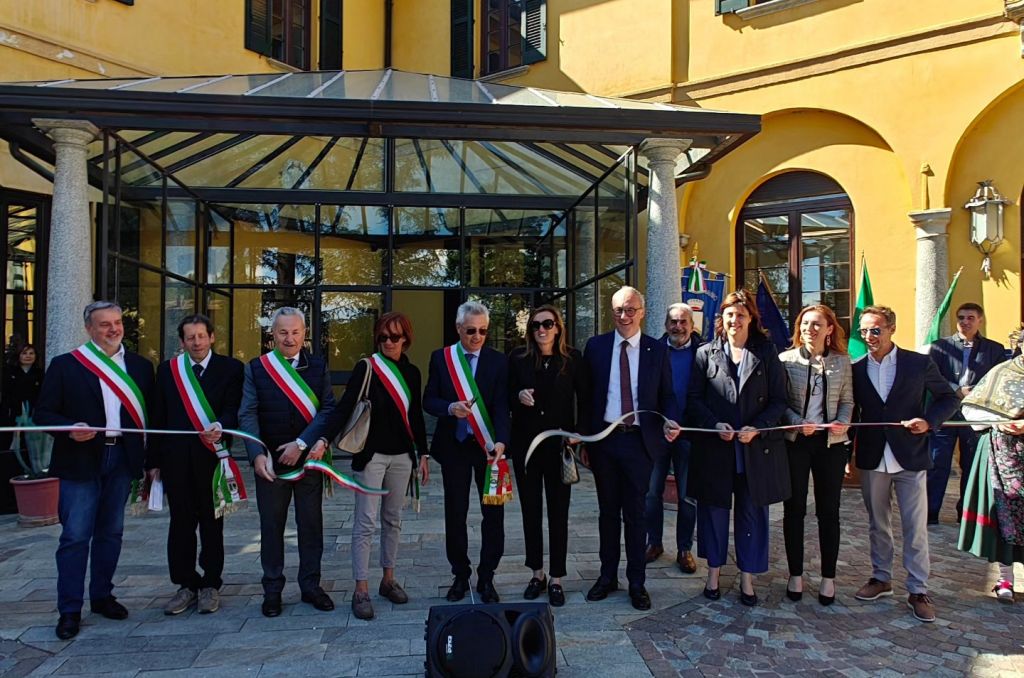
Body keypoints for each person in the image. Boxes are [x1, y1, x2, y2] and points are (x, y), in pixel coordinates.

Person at [35, 301, 156, 640]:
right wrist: (68, 427)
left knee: (111, 533)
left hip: (121, 459)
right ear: (89, 328)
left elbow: (152, 416)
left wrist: (151, 462)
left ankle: (102, 596)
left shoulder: (141, 367)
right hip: (80, 460)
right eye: (104, 324)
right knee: (75, 536)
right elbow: (43, 414)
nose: (113, 329)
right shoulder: (66, 365)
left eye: (117, 322)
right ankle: (69, 610)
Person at [301, 312, 430, 620]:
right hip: (371, 457)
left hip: (402, 457)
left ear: (406, 339)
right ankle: (361, 588)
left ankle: (388, 579)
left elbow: (415, 417)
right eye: (383, 336)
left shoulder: (411, 373)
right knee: (365, 523)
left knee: (393, 520)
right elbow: (344, 407)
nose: (388, 342)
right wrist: (322, 440)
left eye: (395, 337)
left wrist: (422, 454)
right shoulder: (367, 367)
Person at [851, 305, 958, 623]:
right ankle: (881, 578)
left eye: (875, 329)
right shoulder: (856, 368)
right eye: (864, 330)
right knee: (877, 524)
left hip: (910, 455)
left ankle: (917, 590)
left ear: (891, 329)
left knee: (915, 528)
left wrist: (928, 421)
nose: (869, 336)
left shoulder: (918, 363)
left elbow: (949, 399)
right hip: (872, 456)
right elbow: (851, 412)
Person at [686, 289, 790, 607]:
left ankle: (747, 578)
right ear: (723, 318)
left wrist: (757, 428)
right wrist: (714, 424)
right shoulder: (706, 353)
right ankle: (714, 575)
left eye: (741, 314)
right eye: (730, 313)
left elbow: (779, 400)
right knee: (714, 514)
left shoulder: (766, 352)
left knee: (751, 515)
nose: (735, 319)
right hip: (717, 451)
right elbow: (693, 400)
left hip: (754, 451)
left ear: (751, 318)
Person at [581, 286, 680, 611]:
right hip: (604, 442)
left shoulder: (656, 350)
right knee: (608, 513)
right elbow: (585, 397)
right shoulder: (595, 347)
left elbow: (668, 395)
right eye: (619, 310)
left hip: (640, 442)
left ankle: (637, 583)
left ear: (642, 312)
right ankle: (607, 576)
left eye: (630, 310)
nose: (624, 316)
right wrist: (584, 438)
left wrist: (670, 420)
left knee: (635, 516)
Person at [239, 307, 336, 618]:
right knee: (272, 528)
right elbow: (247, 413)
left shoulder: (318, 366)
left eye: (295, 332)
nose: (290, 338)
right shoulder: (257, 368)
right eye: (283, 332)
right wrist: (256, 454)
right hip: (270, 466)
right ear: (273, 334)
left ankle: (310, 586)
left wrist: (306, 443)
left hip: (308, 462)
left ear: (304, 333)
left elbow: (328, 410)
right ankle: (272, 590)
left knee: (311, 526)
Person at [148, 314, 244, 616]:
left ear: (212, 337)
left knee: (213, 523)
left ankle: (210, 584)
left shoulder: (231, 369)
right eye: (190, 337)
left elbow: (235, 408)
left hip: (212, 459)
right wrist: (153, 462)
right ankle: (185, 584)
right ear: (182, 341)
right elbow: (157, 418)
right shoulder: (167, 371)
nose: (197, 342)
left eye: (202, 336)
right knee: (181, 524)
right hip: (176, 462)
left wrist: (221, 424)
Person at [423, 301, 510, 604]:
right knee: (455, 514)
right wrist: (449, 408)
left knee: (494, 514)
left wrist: (501, 442)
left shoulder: (499, 362)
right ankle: (460, 575)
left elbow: (502, 406)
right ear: (459, 328)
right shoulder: (442, 358)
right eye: (471, 330)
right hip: (455, 449)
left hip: (490, 452)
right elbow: (428, 400)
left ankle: (487, 576)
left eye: (483, 331)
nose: (477, 336)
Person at [508, 305, 589, 607]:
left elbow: (586, 397)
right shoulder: (518, 359)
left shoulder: (572, 359)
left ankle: (556, 577)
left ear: (558, 327)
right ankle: (536, 573)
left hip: (558, 446)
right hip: (526, 447)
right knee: (531, 510)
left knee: (558, 511)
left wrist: (579, 431)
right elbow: (505, 393)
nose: (541, 330)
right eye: (536, 325)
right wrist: (517, 396)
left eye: (547, 324)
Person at [778, 305, 853, 606]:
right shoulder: (786, 360)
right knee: (794, 509)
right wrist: (796, 419)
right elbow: (779, 401)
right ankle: (795, 574)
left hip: (831, 445)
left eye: (817, 324)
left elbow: (848, 401)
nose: (811, 329)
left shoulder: (842, 362)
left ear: (829, 329)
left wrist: (842, 422)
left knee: (828, 511)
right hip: (796, 441)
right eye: (805, 323)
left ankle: (828, 578)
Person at [926, 303, 1006, 524]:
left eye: (970, 317)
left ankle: (967, 516)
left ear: (980, 320)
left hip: (977, 417)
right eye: (961, 317)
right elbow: (931, 376)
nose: (965, 322)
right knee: (937, 465)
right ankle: (930, 514)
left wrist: (976, 392)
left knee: (971, 467)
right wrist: (955, 390)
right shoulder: (939, 347)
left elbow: (997, 380)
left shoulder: (995, 349)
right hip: (944, 414)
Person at [957, 351, 1024, 602]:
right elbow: (972, 409)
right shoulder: (1001, 372)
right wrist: (998, 420)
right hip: (1001, 454)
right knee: (1002, 516)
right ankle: (1005, 577)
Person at [645, 303, 701, 574]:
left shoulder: (703, 353)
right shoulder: (653, 351)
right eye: (673, 322)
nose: (678, 327)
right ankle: (654, 543)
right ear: (665, 325)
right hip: (658, 433)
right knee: (651, 493)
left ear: (692, 325)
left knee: (689, 496)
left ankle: (684, 549)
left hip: (690, 435)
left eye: (683, 322)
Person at [4, 343, 44, 420]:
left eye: (31, 353)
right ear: (18, 355)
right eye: (24, 353)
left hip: (34, 413)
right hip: (13, 413)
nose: (28, 356)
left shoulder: (39, 373)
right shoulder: (10, 372)